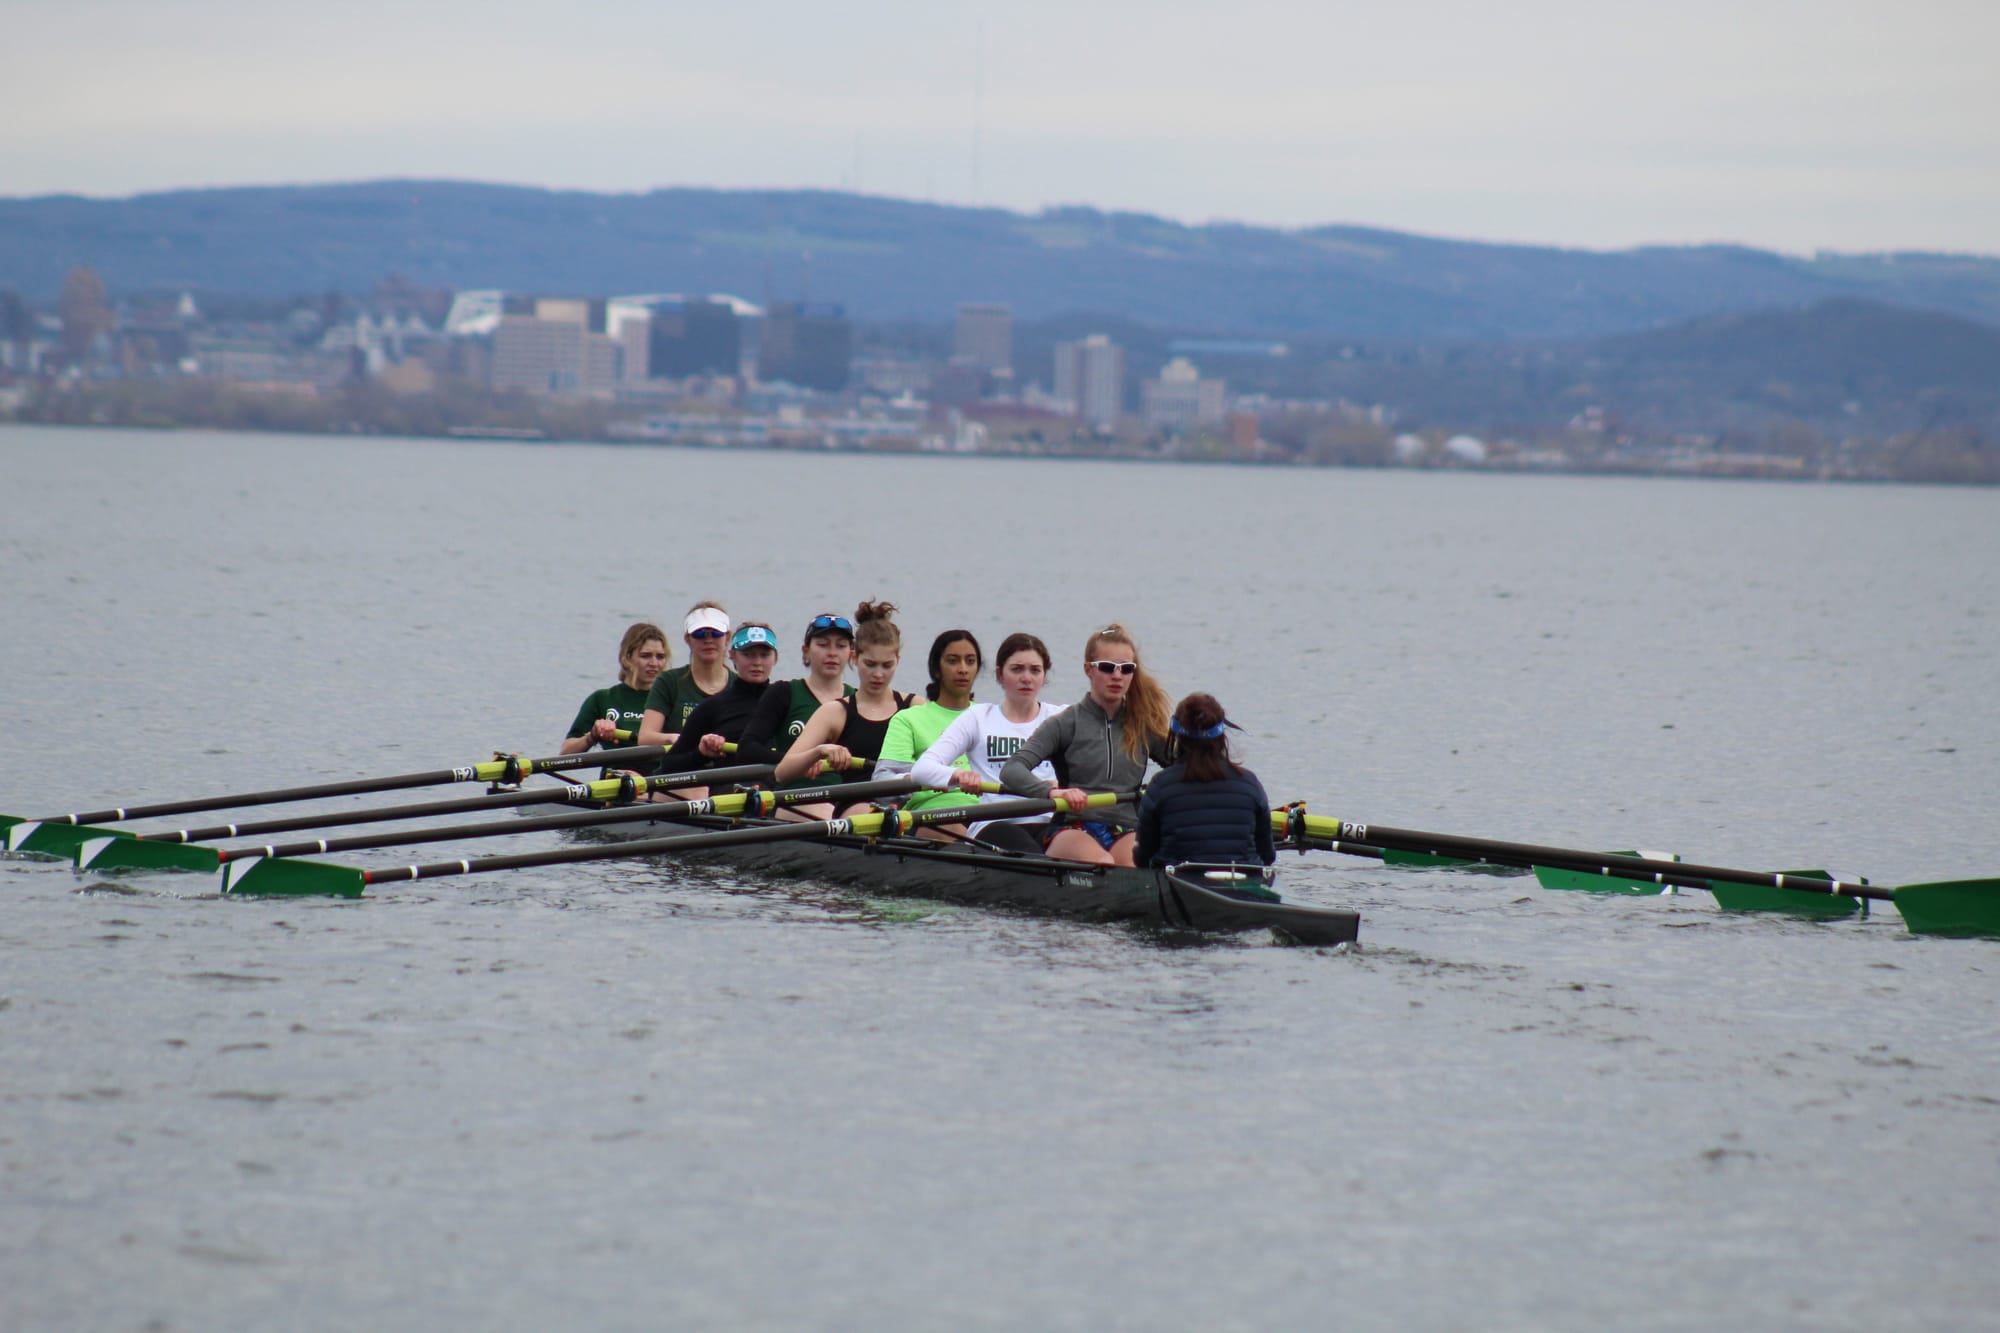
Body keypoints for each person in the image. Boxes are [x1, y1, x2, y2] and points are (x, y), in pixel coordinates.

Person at [1000, 623, 1172, 866]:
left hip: (1126, 827)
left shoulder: (1143, 726)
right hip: (1073, 825)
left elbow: (1186, 765)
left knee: (1131, 868)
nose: (1117, 676)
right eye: (1107, 667)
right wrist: (1052, 792)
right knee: (1104, 864)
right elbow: (1012, 770)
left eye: (1126, 669)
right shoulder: (1065, 723)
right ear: (1088, 670)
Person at [912, 632, 1065, 851]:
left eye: (1035, 670)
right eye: (1017, 669)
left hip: (1049, 820)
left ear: (1044, 676)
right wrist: (957, 776)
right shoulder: (978, 718)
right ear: (1000, 674)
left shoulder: (1061, 717)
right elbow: (921, 770)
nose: (1026, 678)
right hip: (994, 822)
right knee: (1033, 854)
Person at [774, 601, 915, 815]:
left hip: (906, 801)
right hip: (857, 806)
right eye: (870, 664)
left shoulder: (914, 706)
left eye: (887, 665)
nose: (878, 674)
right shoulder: (836, 712)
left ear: (898, 660)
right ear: (855, 658)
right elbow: (782, 773)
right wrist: (819, 751)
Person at [1135, 693, 1277, 869]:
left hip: (1179, 883)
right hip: (1243, 877)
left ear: (1178, 736)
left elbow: (1143, 857)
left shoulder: (1160, 785)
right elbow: (1268, 856)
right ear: (1221, 736)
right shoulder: (1249, 783)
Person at [873, 628, 985, 832]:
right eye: (952, 661)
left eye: (970, 661)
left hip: (987, 815)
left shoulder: (990, 717)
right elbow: (883, 783)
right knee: (952, 829)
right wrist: (931, 776)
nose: (963, 669)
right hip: (932, 817)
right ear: (936, 669)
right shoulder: (909, 719)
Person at [655, 623, 781, 789]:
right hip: (728, 795)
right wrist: (701, 754)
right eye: (748, 655)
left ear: (775, 658)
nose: (757, 662)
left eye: (764, 655)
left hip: (776, 791)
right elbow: (669, 765)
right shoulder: (713, 707)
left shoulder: (786, 701)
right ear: (732, 656)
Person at [736, 612, 858, 774]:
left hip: (846, 796)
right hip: (792, 793)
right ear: (806, 651)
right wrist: (802, 761)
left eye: (841, 646)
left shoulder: (858, 700)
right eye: (823, 644)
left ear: (851, 654)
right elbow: (747, 750)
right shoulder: (783, 693)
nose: (832, 653)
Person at [561, 622, 669, 756]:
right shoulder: (602, 699)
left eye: (660, 657)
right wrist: (592, 736)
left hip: (657, 775)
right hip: (616, 774)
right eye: (645, 656)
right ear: (627, 657)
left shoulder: (672, 700)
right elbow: (565, 752)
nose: (654, 664)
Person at [638, 602, 734, 748]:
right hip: (680, 766)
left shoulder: (740, 686)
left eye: (716, 633)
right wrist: (672, 739)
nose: (708, 640)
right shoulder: (668, 682)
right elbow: (645, 738)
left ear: (727, 637)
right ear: (687, 639)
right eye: (699, 633)